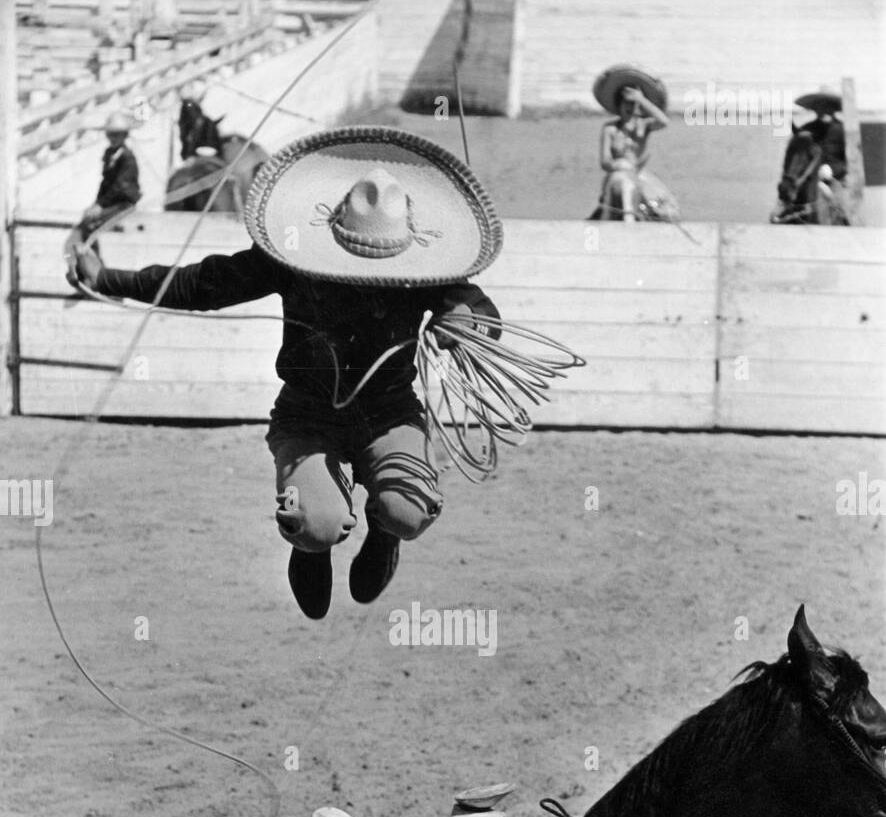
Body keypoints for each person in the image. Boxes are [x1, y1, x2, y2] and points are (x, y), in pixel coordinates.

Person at [68, 126, 502, 621]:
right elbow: (201, 284)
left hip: (389, 413)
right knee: (315, 524)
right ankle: (311, 545)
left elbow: (480, 311)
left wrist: (467, 320)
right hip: (307, 416)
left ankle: (385, 533)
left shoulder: (426, 273)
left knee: (409, 509)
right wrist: (108, 279)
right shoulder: (294, 260)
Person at [589, 65, 672, 221]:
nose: (630, 107)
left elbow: (663, 121)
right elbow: (605, 161)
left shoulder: (644, 126)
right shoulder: (610, 129)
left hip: (637, 174)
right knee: (613, 191)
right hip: (616, 173)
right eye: (627, 102)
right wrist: (620, 166)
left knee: (658, 209)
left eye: (634, 104)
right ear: (619, 104)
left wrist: (641, 99)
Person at [67, 110, 141, 254]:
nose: (113, 138)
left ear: (125, 135)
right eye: (110, 134)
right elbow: (106, 182)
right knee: (87, 220)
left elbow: (120, 186)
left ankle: (96, 261)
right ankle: (91, 258)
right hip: (112, 201)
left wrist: (101, 205)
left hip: (124, 202)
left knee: (91, 224)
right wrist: (96, 203)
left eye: (117, 135)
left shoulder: (127, 157)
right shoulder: (109, 154)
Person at [774, 91, 848, 224]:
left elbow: (850, 161)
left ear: (833, 109)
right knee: (783, 205)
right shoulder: (808, 128)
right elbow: (793, 157)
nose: (823, 110)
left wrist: (832, 169)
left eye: (827, 107)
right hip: (807, 177)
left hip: (834, 178)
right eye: (820, 107)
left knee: (841, 208)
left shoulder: (843, 130)